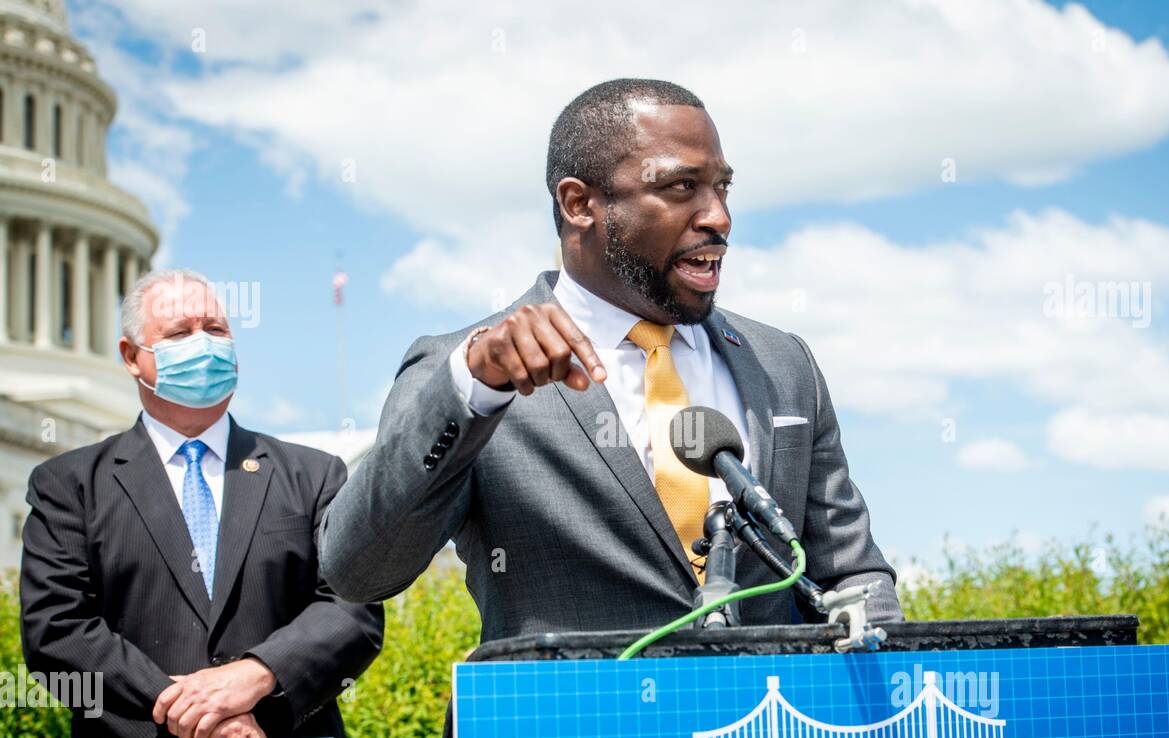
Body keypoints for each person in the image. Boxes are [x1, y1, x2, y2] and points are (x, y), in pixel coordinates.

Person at [319, 77, 902, 633]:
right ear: (579, 204)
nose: (718, 216)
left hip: (763, 729)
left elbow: (850, 574)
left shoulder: (784, 362)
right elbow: (359, 572)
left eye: (722, 187)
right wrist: (474, 390)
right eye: (681, 187)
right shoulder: (470, 373)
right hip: (568, 732)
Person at [20, 268, 384, 738]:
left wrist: (258, 674)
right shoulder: (69, 486)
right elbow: (57, 633)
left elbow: (353, 609)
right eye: (181, 330)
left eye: (215, 328)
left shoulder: (314, 476)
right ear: (132, 357)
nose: (204, 343)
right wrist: (193, 713)